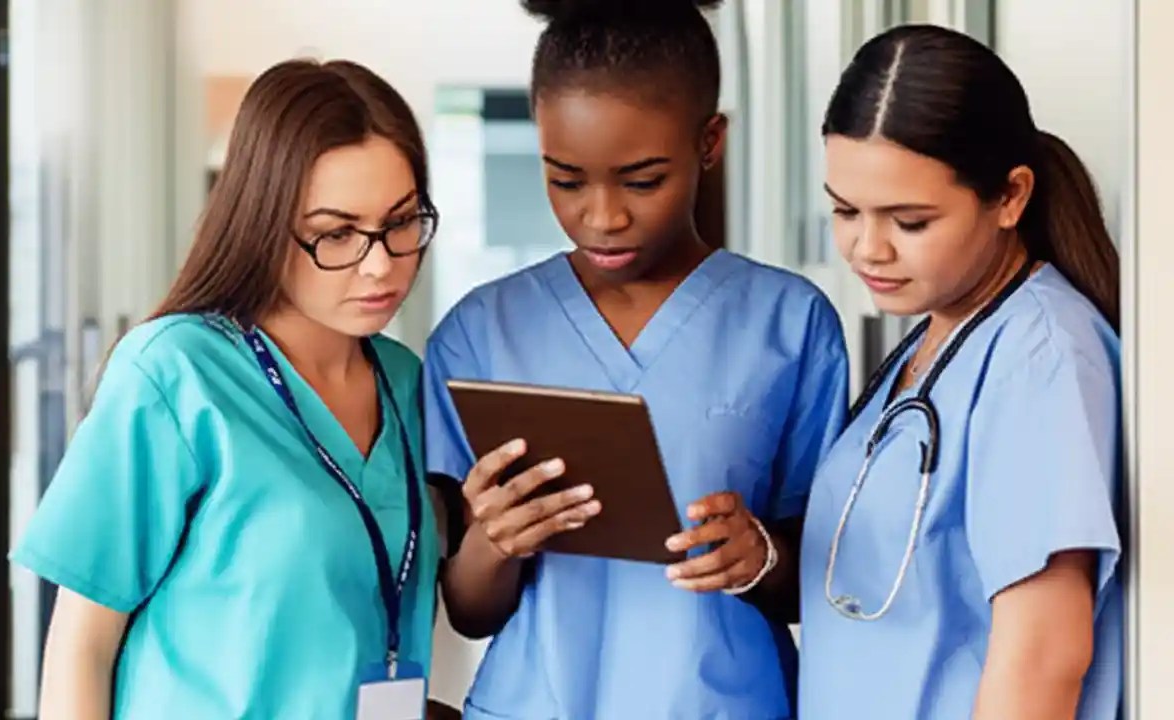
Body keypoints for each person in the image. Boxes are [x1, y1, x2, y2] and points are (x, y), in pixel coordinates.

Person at [424, 1, 850, 717]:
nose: (602, 215)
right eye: (565, 179)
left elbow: (831, 574)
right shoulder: (480, 332)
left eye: (642, 180)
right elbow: (470, 612)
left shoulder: (790, 324)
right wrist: (495, 543)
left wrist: (761, 557)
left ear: (709, 142)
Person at [9, 59, 442, 719]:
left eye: (402, 222)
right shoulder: (173, 374)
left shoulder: (407, 382)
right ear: (265, 223)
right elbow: (82, 645)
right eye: (336, 234)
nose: (381, 263)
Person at [797, 24, 1123, 720]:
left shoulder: (1039, 355)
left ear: (1010, 196)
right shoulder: (934, 342)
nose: (867, 248)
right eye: (844, 210)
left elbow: (1043, 657)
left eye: (909, 221)